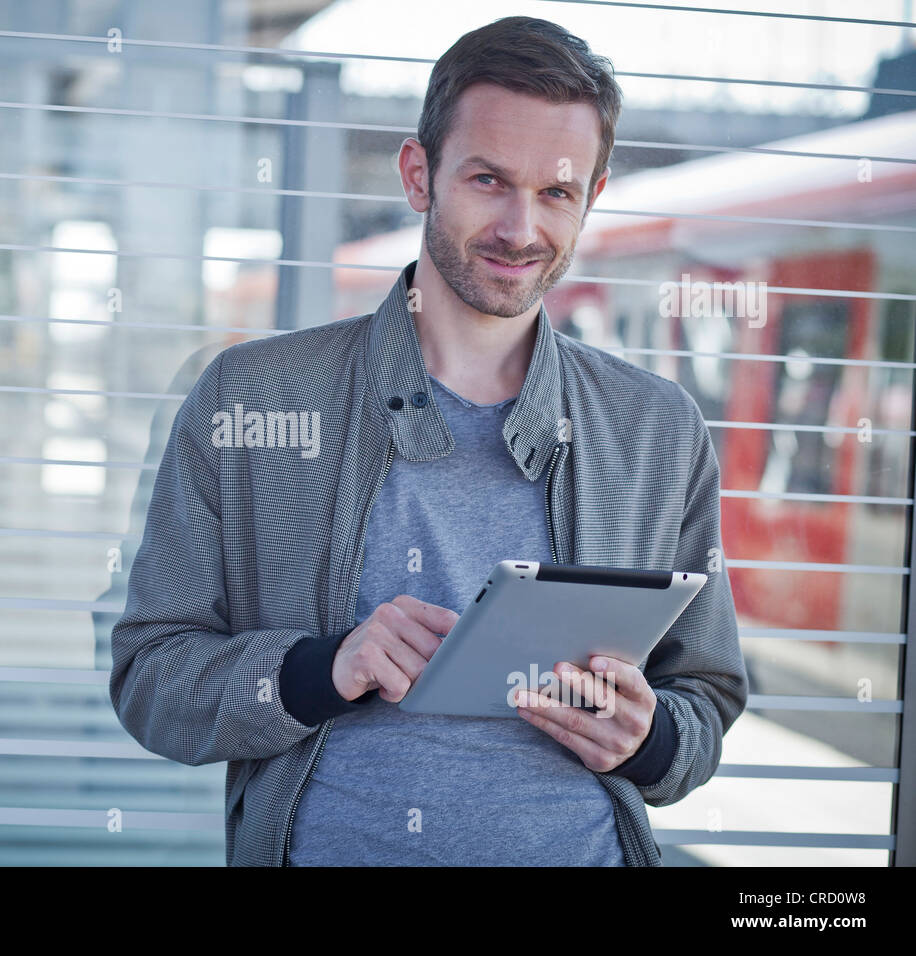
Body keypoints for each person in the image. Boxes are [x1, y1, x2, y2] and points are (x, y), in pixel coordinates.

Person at [108, 15, 748, 866]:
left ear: (592, 196)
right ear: (420, 174)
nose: (521, 229)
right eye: (488, 180)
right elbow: (152, 679)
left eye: (556, 192)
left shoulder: (658, 429)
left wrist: (651, 737)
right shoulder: (250, 397)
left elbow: (704, 695)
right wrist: (317, 668)